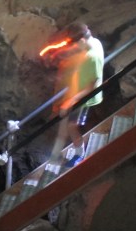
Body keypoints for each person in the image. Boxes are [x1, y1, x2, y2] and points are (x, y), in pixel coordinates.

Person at [45, 22, 104, 161]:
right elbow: (78, 51)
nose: (74, 46)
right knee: (65, 121)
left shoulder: (92, 57)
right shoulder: (94, 42)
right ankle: (59, 152)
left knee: (71, 126)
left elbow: (93, 85)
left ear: (82, 40)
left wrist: (70, 101)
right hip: (76, 90)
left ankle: (79, 154)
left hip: (84, 98)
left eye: (76, 44)